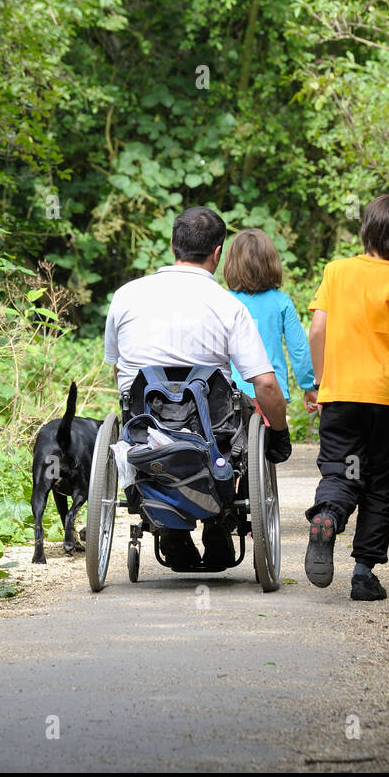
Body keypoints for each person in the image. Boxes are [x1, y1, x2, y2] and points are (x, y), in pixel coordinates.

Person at [104, 207, 293, 570]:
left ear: (173, 245)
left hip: (146, 424)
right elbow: (265, 382)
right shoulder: (228, 306)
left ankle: (169, 525)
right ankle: (219, 521)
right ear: (217, 253)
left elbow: (120, 372)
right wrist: (279, 434)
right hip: (210, 430)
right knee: (246, 416)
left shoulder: (125, 296)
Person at [303, 194, 389, 601]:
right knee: (378, 485)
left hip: (341, 395)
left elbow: (317, 331)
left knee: (342, 472)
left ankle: (327, 515)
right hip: (387, 401)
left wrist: (321, 383)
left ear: (366, 232)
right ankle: (363, 574)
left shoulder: (337, 271)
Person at [222, 229, 317, 411]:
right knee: (273, 437)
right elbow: (299, 350)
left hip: (230, 391)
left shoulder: (224, 301)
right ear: (271, 263)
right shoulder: (281, 302)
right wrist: (308, 386)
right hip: (271, 391)